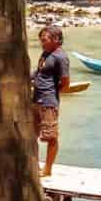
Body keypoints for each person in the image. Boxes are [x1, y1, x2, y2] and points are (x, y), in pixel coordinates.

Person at [32, 23, 71, 179]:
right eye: (41, 40)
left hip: (48, 102)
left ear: (56, 39)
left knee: (51, 137)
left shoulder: (61, 57)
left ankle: (47, 169)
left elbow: (66, 83)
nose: (42, 43)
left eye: (45, 40)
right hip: (35, 99)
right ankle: (33, 165)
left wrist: (51, 94)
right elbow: (38, 73)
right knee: (31, 134)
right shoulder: (45, 54)